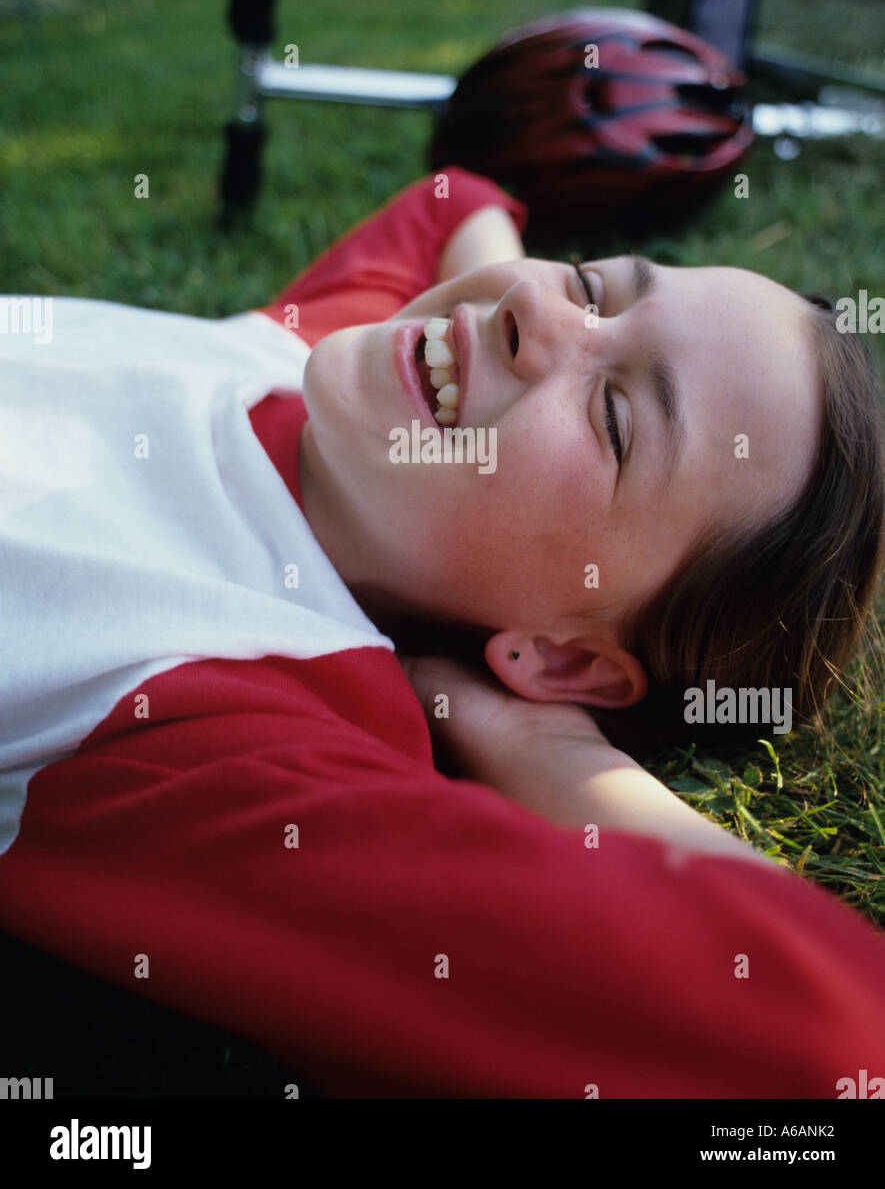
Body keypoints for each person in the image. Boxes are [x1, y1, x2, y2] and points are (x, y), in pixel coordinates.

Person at [0, 167, 883, 1098]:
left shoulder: (216, 714)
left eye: (615, 418)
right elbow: (455, 201)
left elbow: (825, 1049)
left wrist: (546, 754)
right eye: (592, 284)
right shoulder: (300, 346)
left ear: (565, 656)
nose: (529, 311)